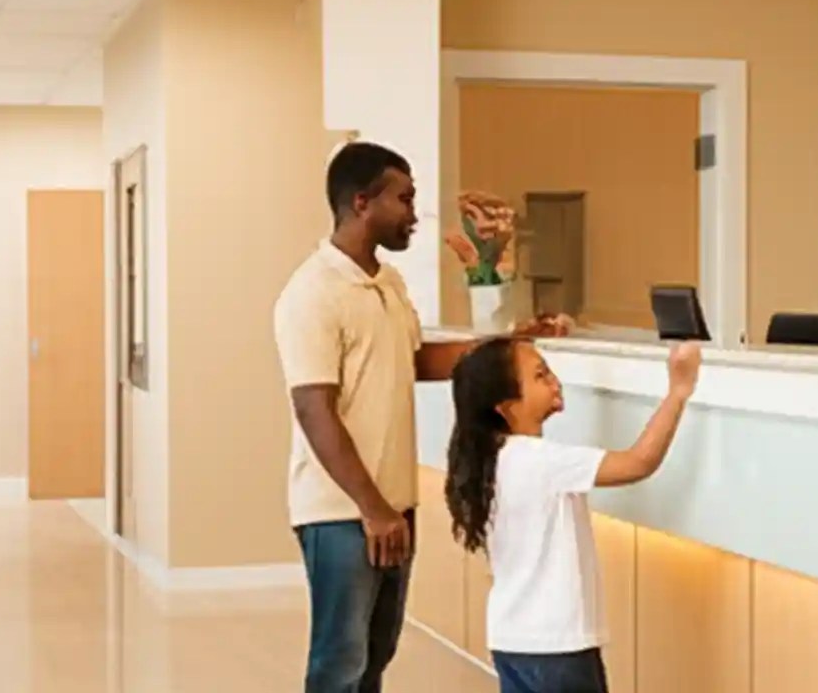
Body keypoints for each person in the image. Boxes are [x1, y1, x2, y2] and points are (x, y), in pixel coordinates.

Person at [274, 141, 570, 692]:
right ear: (362, 202)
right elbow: (314, 409)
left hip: (392, 504)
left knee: (376, 654)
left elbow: (416, 361)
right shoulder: (311, 293)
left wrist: (509, 342)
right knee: (339, 662)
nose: (414, 215)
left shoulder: (387, 283)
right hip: (343, 510)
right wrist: (372, 509)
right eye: (403, 200)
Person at [444, 337, 701, 693]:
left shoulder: (492, 460)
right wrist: (678, 391)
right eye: (539, 375)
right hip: (558, 646)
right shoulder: (540, 460)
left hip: (512, 641)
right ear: (507, 407)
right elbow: (639, 462)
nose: (554, 380)